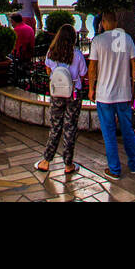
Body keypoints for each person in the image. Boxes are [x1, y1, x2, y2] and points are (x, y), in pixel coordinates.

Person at [88, 10, 135, 180]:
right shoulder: (127, 39)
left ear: (103, 22)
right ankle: (134, 164)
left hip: (104, 95)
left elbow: (92, 68)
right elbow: (134, 64)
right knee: (128, 131)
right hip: (123, 93)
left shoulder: (98, 41)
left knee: (108, 133)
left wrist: (91, 88)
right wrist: (133, 84)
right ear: (116, 22)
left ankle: (115, 169)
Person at [36, 24, 87, 175]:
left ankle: (46, 160)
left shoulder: (52, 53)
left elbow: (48, 70)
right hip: (73, 94)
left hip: (56, 94)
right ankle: (68, 163)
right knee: (70, 127)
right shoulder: (77, 54)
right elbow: (83, 73)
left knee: (55, 126)